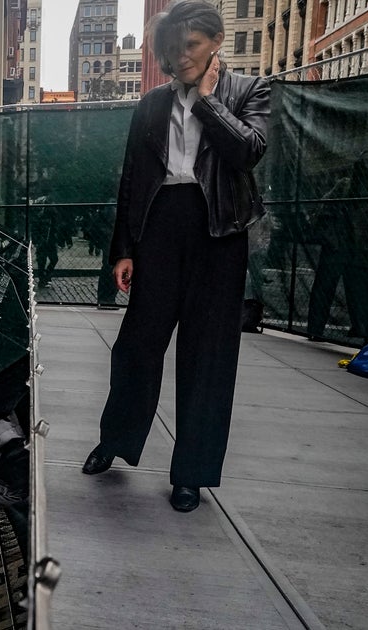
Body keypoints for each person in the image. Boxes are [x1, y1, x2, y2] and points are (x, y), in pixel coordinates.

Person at [80, 0, 271, 513]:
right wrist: (123, 250)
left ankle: (191, 472)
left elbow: (249, 151)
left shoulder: (250, 91)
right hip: (160, 225)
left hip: (219, 235)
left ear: (215, 42)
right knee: (137, 345)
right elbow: (132, 180)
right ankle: (115, 440)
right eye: (173, 49)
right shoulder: (151, 104)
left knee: (207, 358)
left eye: (191, 46)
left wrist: (208, 102)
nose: (181, 57)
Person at [306, 150, 368, 342]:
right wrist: (332, 238)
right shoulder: (345, 185)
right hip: (340, 246)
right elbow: (324, 209)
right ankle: (316, 329)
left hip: (358, 248)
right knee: (326, 288)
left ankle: (363, 330)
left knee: (361, 291)